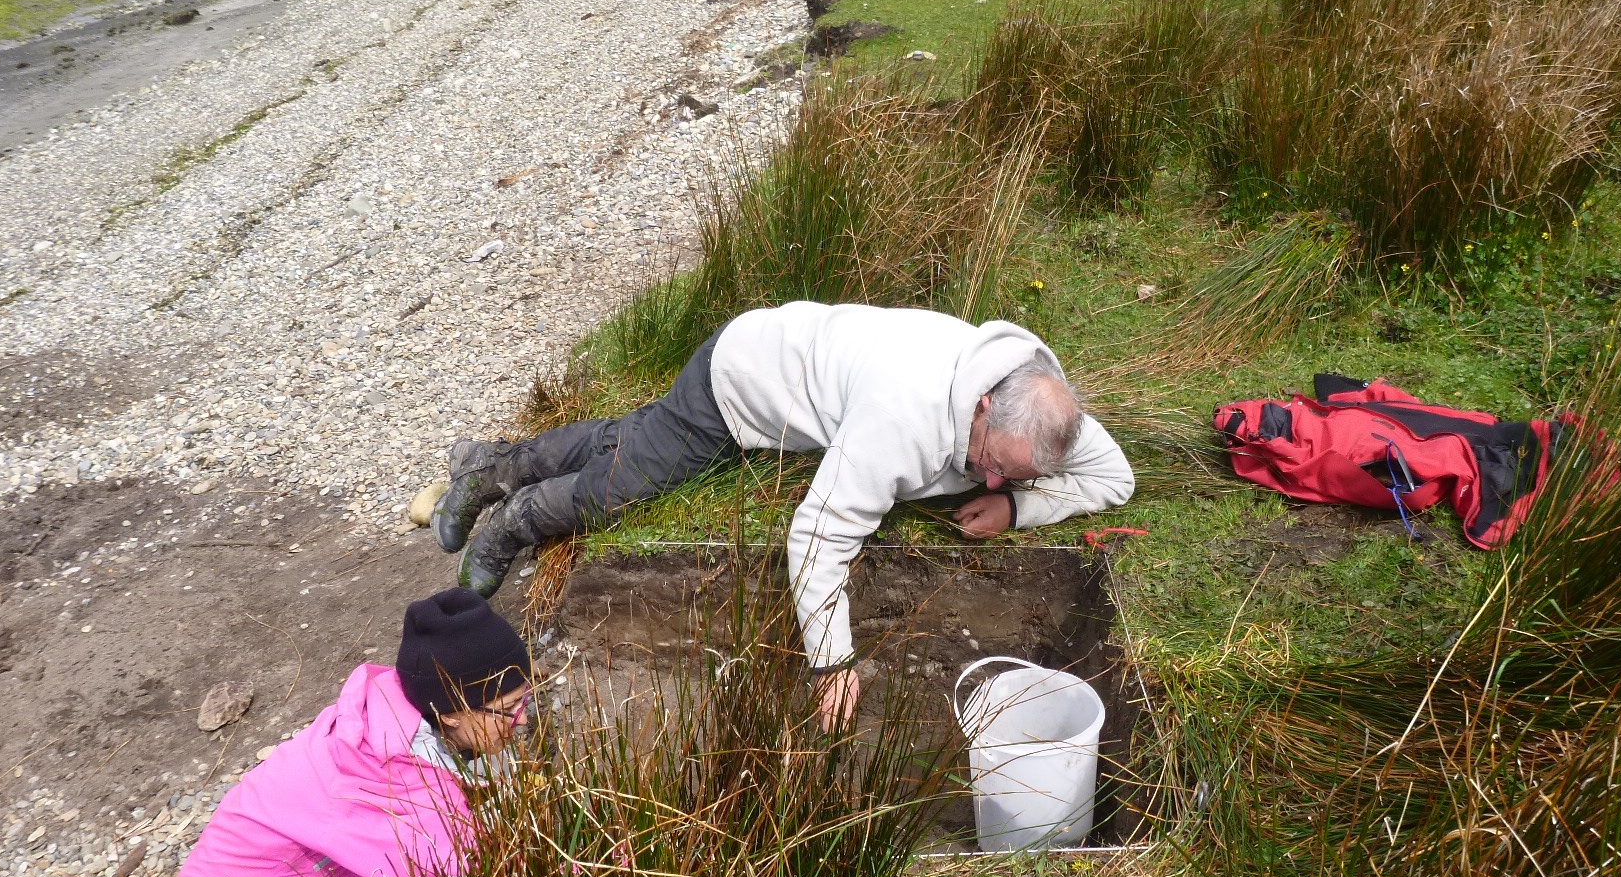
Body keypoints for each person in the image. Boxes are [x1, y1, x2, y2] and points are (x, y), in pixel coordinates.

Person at [432, 302, 1134, 730]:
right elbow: (818, 533)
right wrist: (832, 665)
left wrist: (1019, 505)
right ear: (983, 406)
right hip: (740, 383)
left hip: (795, 347)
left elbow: (1114, 477)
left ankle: (489, 463)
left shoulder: (1036, 404)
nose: (985, 476)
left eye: (1009, 472)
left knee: (630, 440)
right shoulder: (903, 420)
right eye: (991, 460)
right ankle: (512, 519)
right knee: (622, 485)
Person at [165, 588, 530, 877]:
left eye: (526, 700)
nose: (522, 720)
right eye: (508, 710)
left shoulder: (386, 715)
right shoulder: (387, 775)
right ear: (451, 713)